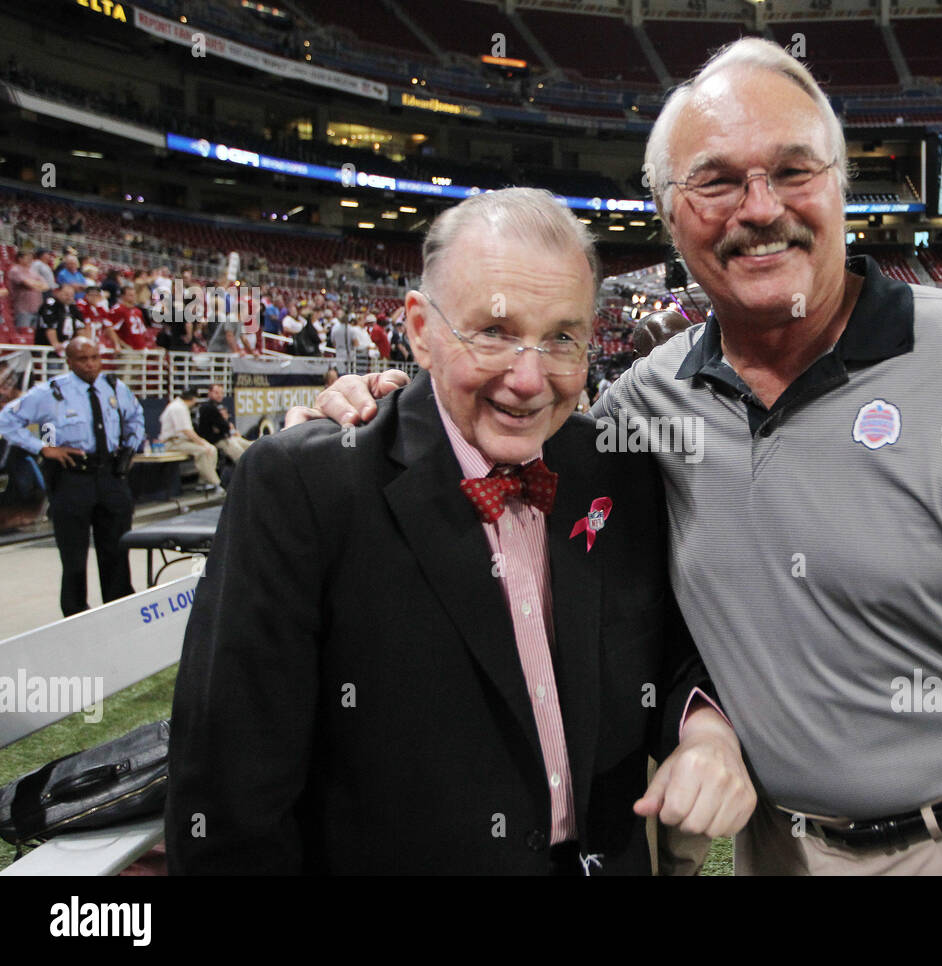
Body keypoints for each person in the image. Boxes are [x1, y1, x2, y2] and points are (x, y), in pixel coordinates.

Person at [306, 39, 942, 876]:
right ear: (669, 216)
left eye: (791, 171)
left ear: (841, 184)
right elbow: (499, 436)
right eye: (717, 181)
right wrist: (386, 407)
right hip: (784, 853)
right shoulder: (644, 407)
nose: (761, 209)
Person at [166, 188, 753, 875]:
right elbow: (233, 795)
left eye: (562, 337)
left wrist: (706, 729)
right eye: (495, 333)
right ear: (420, 329)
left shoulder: (616, 467)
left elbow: (674, 649)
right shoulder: (304, 489)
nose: (529, 379)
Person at [0, 337, 144, 615]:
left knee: (116, 549)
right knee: (74, 555)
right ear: (69, 361)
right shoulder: (51, 392)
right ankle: (76, 614)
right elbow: (6, 421)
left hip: (111, 475)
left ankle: (120, 609)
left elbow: (135, 416)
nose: (90, 364)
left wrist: (131, 444)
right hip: (71, 477)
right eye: (83, 359)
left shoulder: (114, 387)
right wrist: (43, 448)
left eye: (94, 357)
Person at [159, 388, 222, 493]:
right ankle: (215, 483)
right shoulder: (178, 408)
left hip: (180, 442)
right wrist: (202, 443)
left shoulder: (180, 406)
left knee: (212, 449)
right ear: (193, 399)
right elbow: (186, 431)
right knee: (203, 450)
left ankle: (204, 482)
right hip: (171, 443)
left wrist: (204, 443)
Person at [196, 383, 252, 464]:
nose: (219, 395)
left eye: (221, 393)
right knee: (239, 454)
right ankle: (246, 470)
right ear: (209, 393)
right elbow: (224, 426)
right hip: (214, 440)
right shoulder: (207, 407)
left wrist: (228, 428)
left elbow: (224, 426)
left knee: (247, 445)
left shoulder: (218, 406)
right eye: (216, 393)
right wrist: (227, 427)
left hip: (223, 436)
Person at [38, 284, 84, 357]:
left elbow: (80, 327)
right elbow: (50, 326)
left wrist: (81, 344)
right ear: (57, 292)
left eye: (71, 295)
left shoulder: (73, 307)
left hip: (69, 348)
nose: (69, 297)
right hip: (50, 349)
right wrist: (55, 343)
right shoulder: (51, 305)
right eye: (66, 294)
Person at [7, 249, 48, 330]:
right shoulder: (15, 270)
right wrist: (37, 284)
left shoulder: (33, 272)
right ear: (20, 258)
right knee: (23, 332)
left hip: (36, 308)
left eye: (31, 258)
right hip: (23, 309)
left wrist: (34, 284)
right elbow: (27, 283)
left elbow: (46, 286)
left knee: (34, 336)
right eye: (28, 258)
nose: (30, 260)